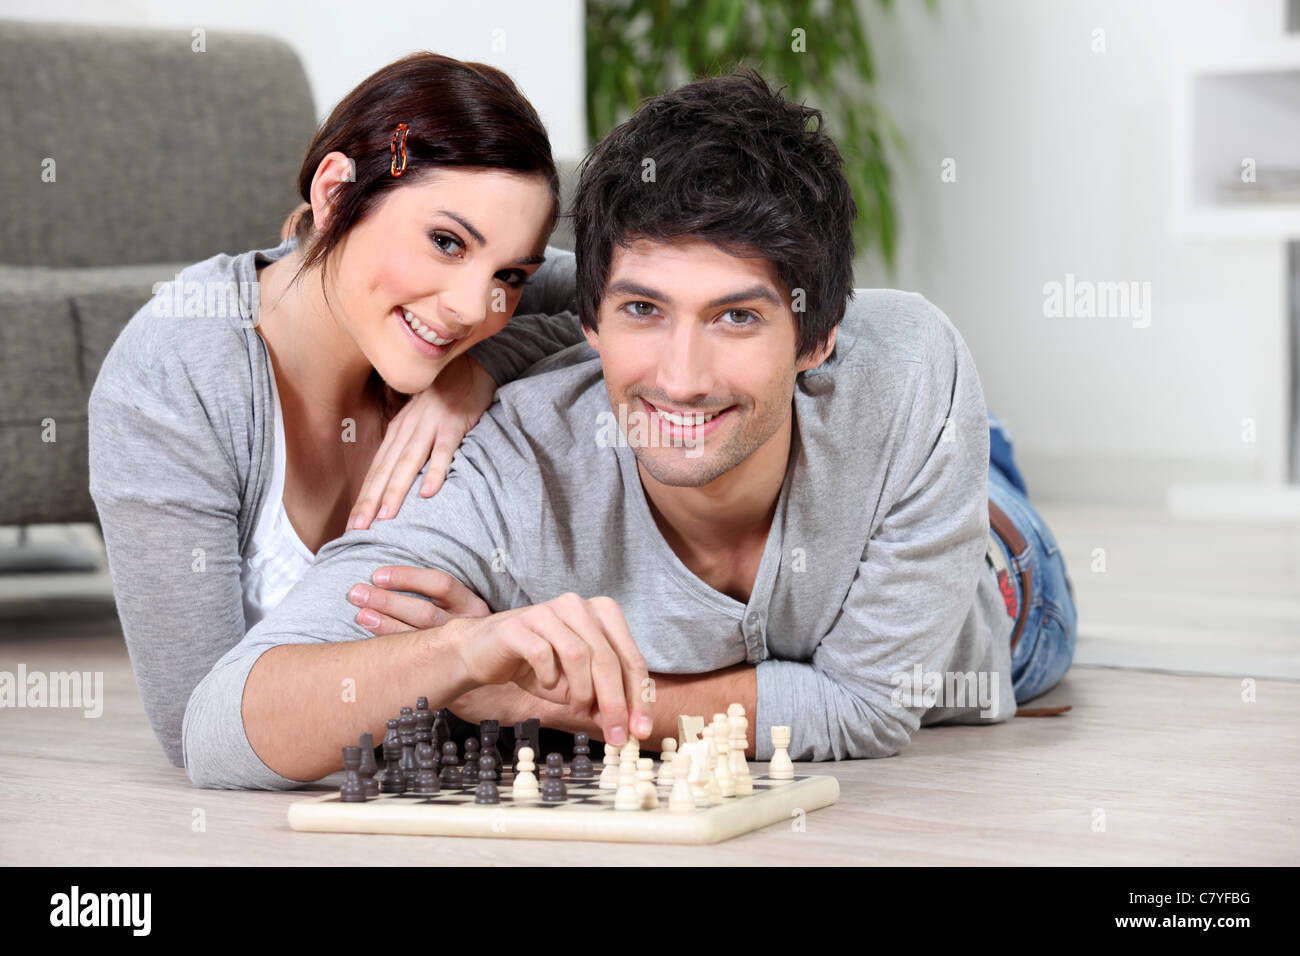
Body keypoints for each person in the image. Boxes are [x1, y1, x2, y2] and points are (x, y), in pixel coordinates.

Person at [183, 68, 1078, 790]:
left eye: (736, 317)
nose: (680, 377)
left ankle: (974, 451)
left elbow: (866, 712)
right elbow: (221, 727)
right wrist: (460, 655)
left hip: (999, 585)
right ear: (587, 317)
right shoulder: (502, 468)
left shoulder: (910, 362)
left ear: (817, 333)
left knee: (956, 459)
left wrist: (539, 705)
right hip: (821, 432)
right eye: (644, 310)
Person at [87, 52, 592, 769]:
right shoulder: (177, 377)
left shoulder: (478, 331)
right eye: (446, 243)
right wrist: (453, 663)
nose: (473, 308)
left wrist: (485, 367)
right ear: (334, 193)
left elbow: (641, 310)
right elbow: (194, 728)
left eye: (509, 276)